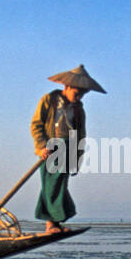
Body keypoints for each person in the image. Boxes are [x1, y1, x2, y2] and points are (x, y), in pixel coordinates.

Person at [30, 64, 105, 233]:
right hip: (50, 148)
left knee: (60, 185)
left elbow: (81, 136)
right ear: (67, 87)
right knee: (51, 185)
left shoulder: (79, 109)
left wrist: (77, 159)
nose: (78, 98)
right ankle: (50, 224)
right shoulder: (49, 100)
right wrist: (41, 146)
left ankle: (56, 223)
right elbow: (36, 125)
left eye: (82, 95)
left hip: (68, 148)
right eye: (76, 94)